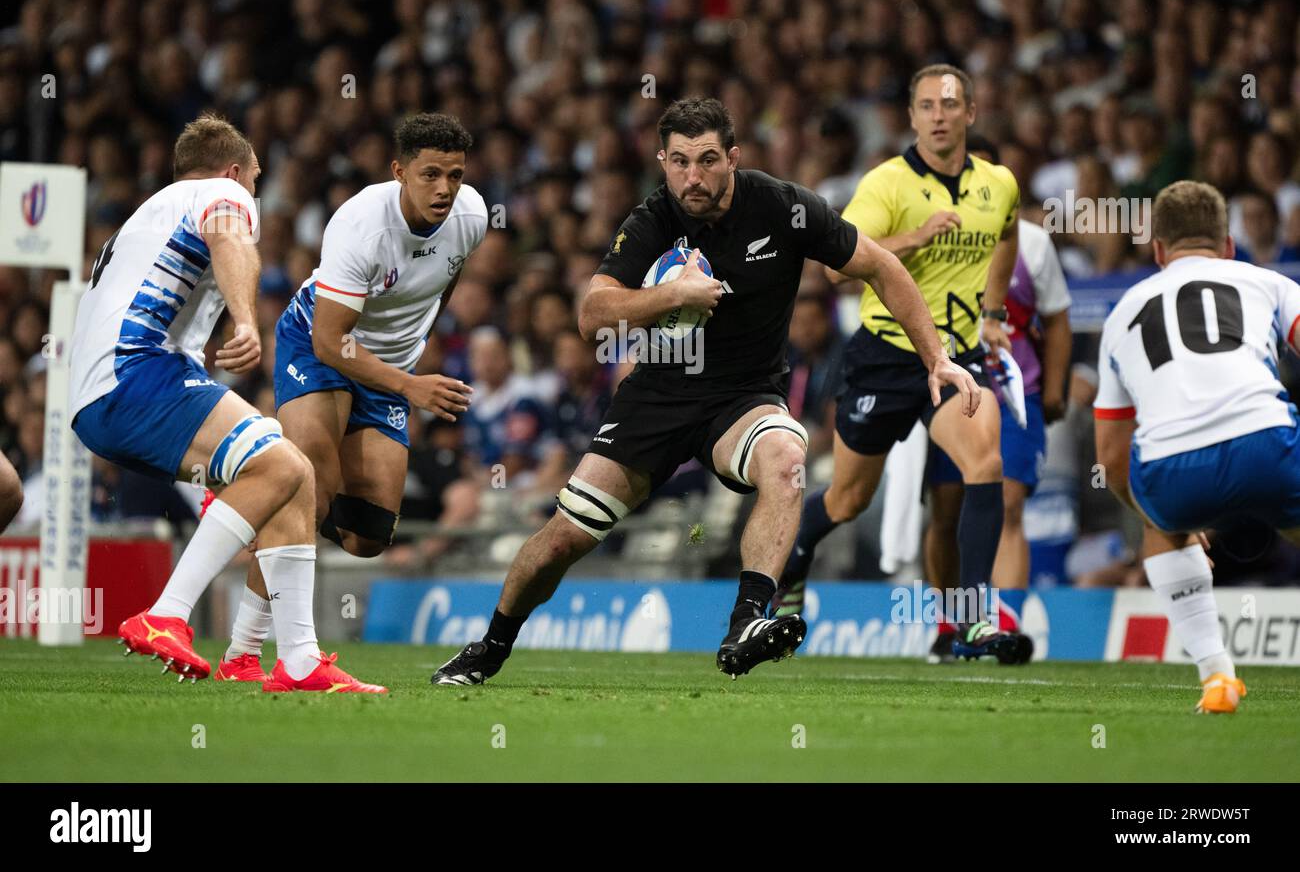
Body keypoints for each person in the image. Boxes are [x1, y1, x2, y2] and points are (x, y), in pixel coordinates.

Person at [432, 97, 978, 685]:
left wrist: (936, 360)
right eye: (680, 162)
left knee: (787, 457)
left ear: (733, 159)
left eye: (709, 160)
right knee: (565, 538)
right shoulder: (651, 220)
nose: (693, 177)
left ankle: (747, 619)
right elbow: (592, 316)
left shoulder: (785, 206)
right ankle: (489, 646)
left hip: (743, 398)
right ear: (663, 162)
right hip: (656, 398)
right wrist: (674, 295)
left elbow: (881, 268)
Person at [69, 113, 383, 692]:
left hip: (110, 393)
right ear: (235, 170)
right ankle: (167, 613)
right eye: (256, 180)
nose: (254, 194)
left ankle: (289, 659)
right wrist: (245, 320)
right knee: (282, 464)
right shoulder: (220, 193)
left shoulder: (153, 213)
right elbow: (230, 236)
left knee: (295, 477)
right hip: (134, 374)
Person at [214, 112, 486, 682]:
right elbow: (331, 342)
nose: (444, 189)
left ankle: (255, 497)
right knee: (308, 481)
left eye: (454, 175)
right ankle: (244, 651)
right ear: (399, 171)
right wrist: (412, 385)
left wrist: (408, 357)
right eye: (430, 174)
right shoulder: (362, 224)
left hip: (386, 367)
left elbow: (443, 280)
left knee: (367, 537)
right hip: (320, 344)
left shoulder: (473, 216)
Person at [773, 65, 1030, 663]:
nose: (938, 115)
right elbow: (838, 269)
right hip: (886, 354)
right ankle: (793, 564)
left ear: (970, 113)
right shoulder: (885, 184)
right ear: (912, 118)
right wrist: (913, 238)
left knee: (984, 465)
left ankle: (971, 622)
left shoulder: (1000, 184)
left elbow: (1008, 236)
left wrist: (993, 313)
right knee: (847, 499)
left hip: (956, 358)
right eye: (925, 106)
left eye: (949, 104)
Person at [1094, 179, 1300, 713]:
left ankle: (1217, 678)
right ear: (1228, 244)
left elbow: (1112, 459)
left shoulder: (1121, 314)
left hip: (1171, 468)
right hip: (1268, 443)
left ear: (1158, 251)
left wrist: (1160, 515)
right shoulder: (1268, 282)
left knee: (1159, 521)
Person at [924, 134, 1073, 660]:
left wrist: (1054, 388)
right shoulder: (931, 234)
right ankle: (952, 624)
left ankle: (1001, 619)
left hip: (1014, 389)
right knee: (946, 511)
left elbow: (1056, 318)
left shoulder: (1031, 241)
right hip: (941, 389)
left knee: (1008, 503)